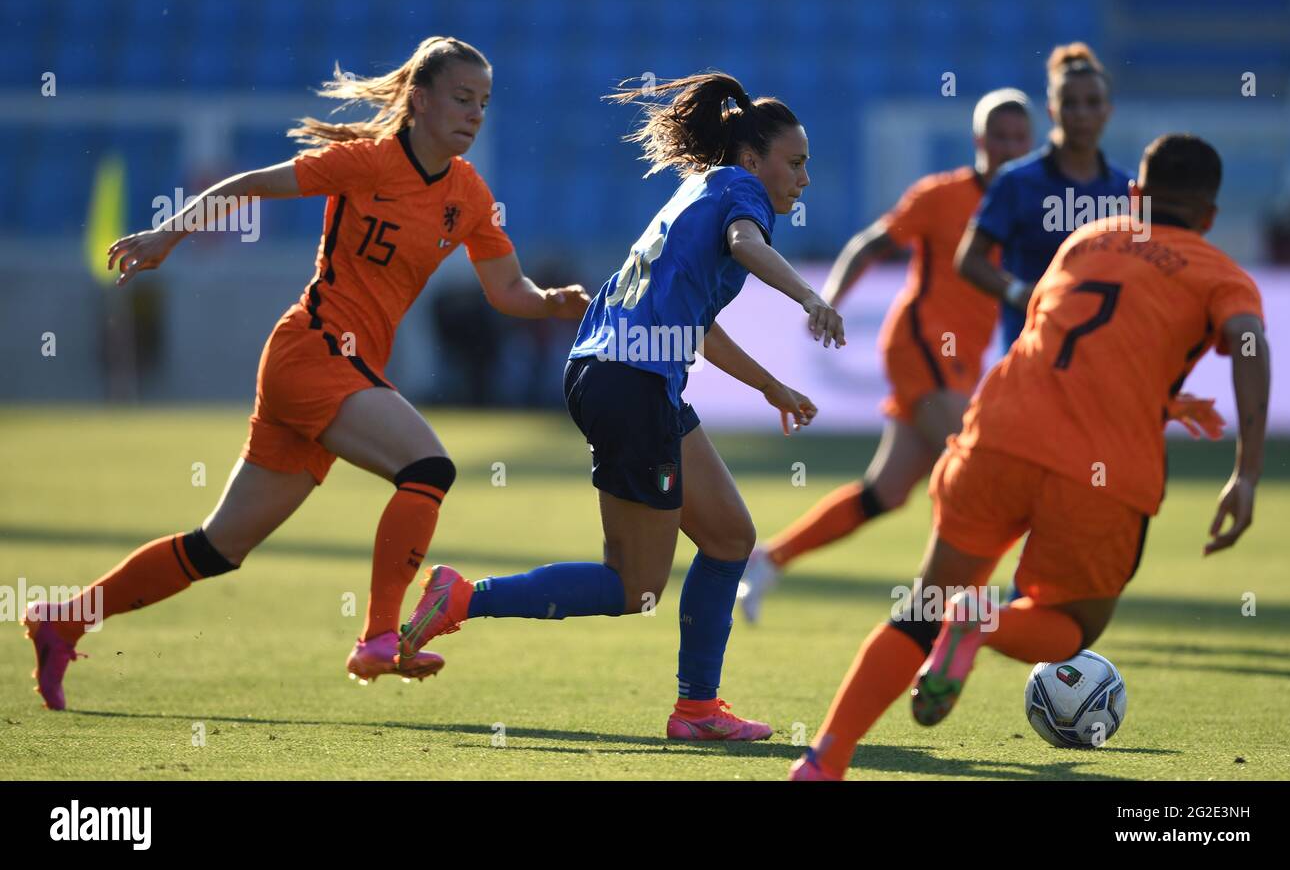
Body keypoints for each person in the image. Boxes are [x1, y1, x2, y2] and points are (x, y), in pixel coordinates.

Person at [23, 36, 590, 710]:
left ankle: (64, 619)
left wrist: (548, 303)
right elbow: (250, 184)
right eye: (462, 98)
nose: (475, 114)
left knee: (218, 548)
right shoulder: (368, 161)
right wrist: (167, 235)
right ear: (419, 99)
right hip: (313, 351)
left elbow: (506, 289)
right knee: (428, 468)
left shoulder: (467, 192)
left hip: (341, 369)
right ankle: (378, 636)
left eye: (484, 103)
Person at [790, 134, 1268, 780]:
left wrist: (1161, 396)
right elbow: (1247, 342)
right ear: (1209, 215)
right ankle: (983, 623)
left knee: (924, 606)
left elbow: (1071, 339)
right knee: (1073, 624)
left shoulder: (1088, 240)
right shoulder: (1221, 274)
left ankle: (824, 758)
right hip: (1101, 469)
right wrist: (1246, 471)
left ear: (1134, 195)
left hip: (999, 434)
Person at [396, 72, 845, 740]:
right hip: (632, 383)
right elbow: (747, 247)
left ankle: (698, 709)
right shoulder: (741, 193)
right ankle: (462, 597)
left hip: (619, 375)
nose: (804, 179)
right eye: (796, 162)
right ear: (753, 159)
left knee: (729, 537)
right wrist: (809, 296)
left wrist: (768, 386)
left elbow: (695, 323)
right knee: (635, 586)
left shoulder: (702, 190)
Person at [737, 89, 1033, 622]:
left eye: (1019, 138)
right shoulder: (940, 195)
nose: (1009, 148)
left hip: (962, 360)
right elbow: (871, 244)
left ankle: (769, 558)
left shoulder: (1029, 204)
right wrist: (827, 297)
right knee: (978, 471)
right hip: (922, 345)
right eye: (999, 137)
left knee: (885, 493)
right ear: (978, 140)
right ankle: (967, 606)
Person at [957, 42, 1131, 353]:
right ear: (1052, 110)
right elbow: (969, 260)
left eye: (1092, 103)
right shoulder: (1017, 182)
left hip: (1103, 358)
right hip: (1032, 355)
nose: (1081, 114)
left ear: (1108, 111)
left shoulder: (1127, 190)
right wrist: (1018, 292)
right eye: (1070, 103)